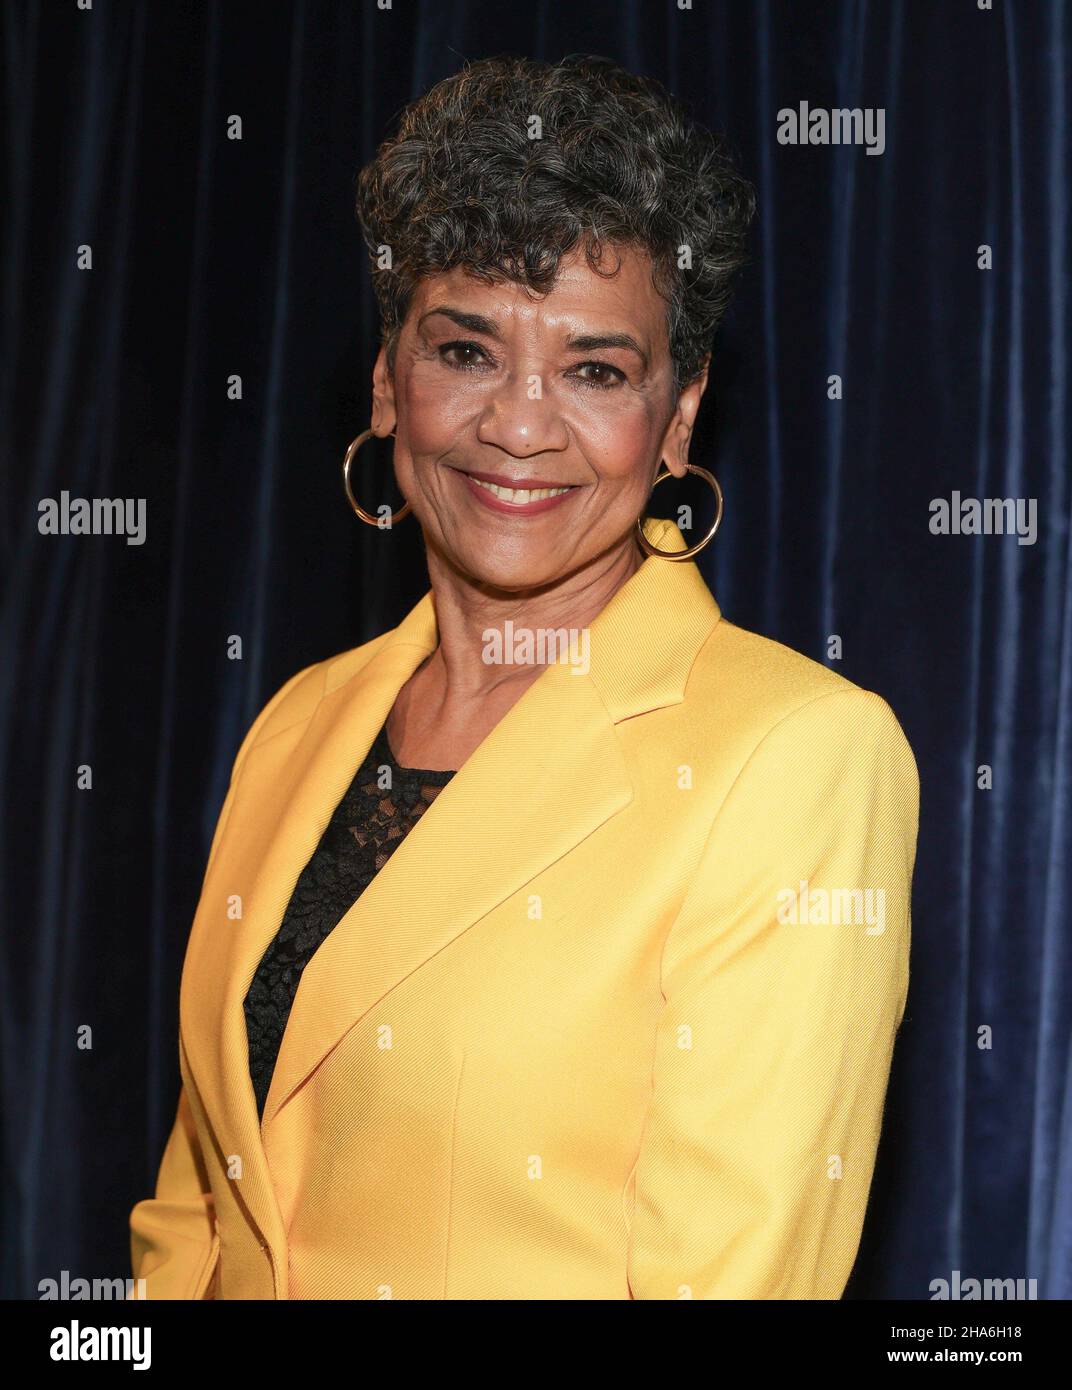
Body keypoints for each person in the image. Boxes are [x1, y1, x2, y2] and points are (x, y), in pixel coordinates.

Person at [129, 53, 918, 1300]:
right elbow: (201, 1202)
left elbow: (730, 1280)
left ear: (676, 415)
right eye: (466, 351)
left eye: (595, 370)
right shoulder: (299, 721)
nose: (520, 423)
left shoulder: (794, 752)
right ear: (391, 380)